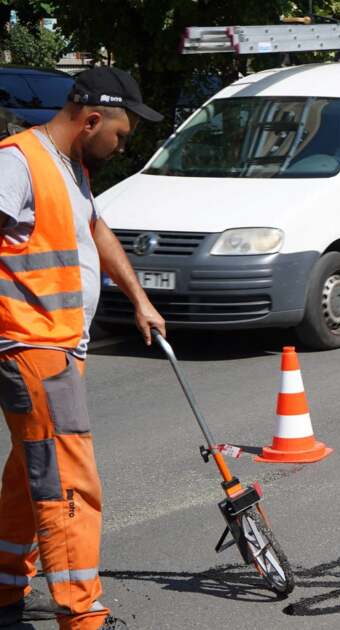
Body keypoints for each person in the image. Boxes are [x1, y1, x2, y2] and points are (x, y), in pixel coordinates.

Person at [0, 66, 167, 630]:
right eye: (120, 136)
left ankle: (3, 587)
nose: (121, 147)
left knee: (31, 471)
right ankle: (83, 615)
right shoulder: (17, 162)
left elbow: (96, 231)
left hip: (57, 345)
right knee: (69, 481)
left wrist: (138, 297)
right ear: (91, 119)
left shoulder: (70, 168)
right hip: (32, 346)